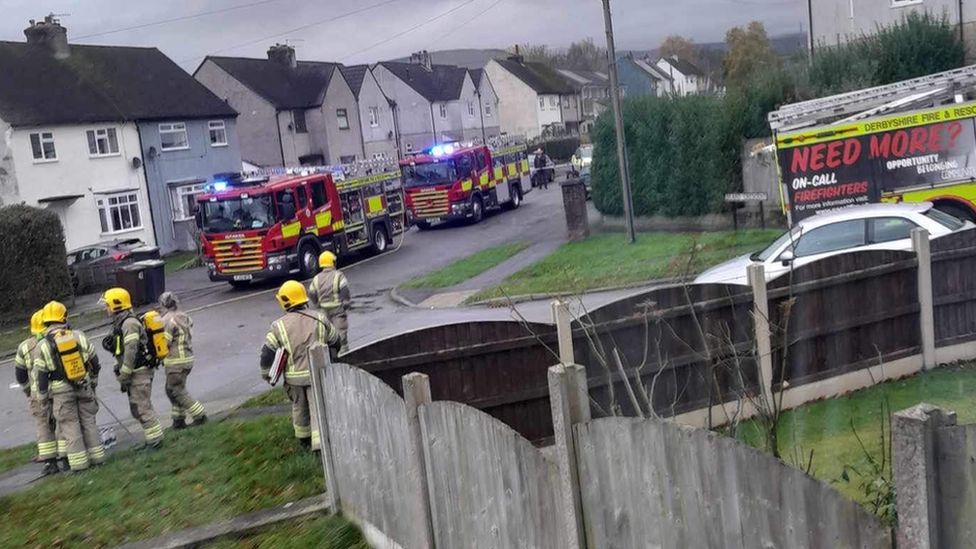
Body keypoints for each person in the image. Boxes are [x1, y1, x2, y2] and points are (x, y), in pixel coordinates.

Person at [260, 281, 340, 450]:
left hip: (294, 380)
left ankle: (304, 441)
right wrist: (332, 360)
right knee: (317, 407)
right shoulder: (319, 318)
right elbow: (335, 341)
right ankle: (320, 447)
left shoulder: (278, 326)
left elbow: (267, 352)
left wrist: (267, 374)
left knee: (299, 408)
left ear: (284, 300)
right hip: (318, 374)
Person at [33, 301, 105, 472]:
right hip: (83, 385)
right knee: (89, 422)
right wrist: (92, 381)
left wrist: (42, 399)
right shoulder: (79, 335)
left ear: (45, 322)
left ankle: (80, 466)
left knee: (70, 426)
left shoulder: (42, 346)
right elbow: (94, 362)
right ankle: (98, 459)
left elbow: (41, 377)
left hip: (60, 392)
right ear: (64, 317)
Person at [101, 288, 164, 450]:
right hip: (135, 371)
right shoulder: (122, 322)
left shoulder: (129, 323)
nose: (105, 308)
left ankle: (156, 442)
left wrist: (125, 373)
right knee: (138, 409)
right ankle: (152, 439)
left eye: (107, 305)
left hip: (138, 372)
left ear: (116, 305)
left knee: (142, 408)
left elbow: (131, 349)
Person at [15, 311, 59, 475]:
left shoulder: (24, 347)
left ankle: (50, 462)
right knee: (64, 423)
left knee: (43, 425)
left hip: (38, 395)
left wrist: (29, 391)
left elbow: (20, 375)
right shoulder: (58, 339)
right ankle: (68, 456)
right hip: (60, 390)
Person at [158, 292, 207, 429]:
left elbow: (164, 343)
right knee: (171, 390)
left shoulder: (167, 320)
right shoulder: (184, 316)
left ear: (163, 304)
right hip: (187, 359)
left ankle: (200, 416)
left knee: (177, 390)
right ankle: (178, 420)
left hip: (175, 362)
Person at [308, 251, 351, 353]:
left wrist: (317, 303)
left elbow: (311, 292)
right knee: (341, 334)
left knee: (327, 336)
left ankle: (331, 355)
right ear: (332, 262)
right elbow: (344, 289)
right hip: (338, 310)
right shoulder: (338, 275)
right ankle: (344, 353)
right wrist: (346, 304)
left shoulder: (316, 278)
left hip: (324, 311)